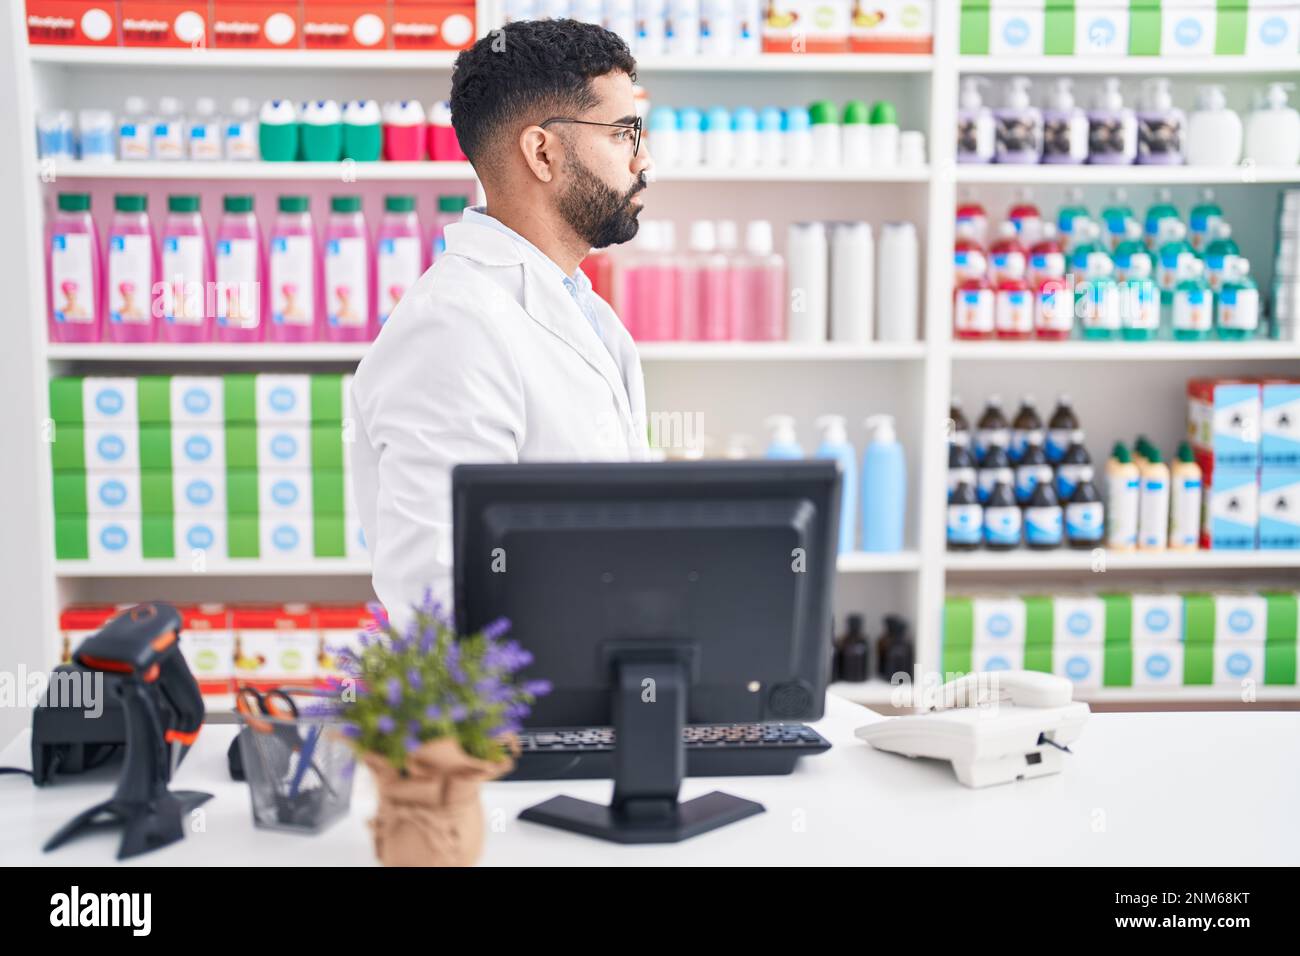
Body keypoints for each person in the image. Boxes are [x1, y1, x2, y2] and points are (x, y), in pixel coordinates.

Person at [350, 18, 653, 623]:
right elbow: (438, 597)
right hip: (514, 712)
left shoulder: (585, 311)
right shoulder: (451, 327)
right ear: (543, 152)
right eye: (623, 133)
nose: (643, 159)